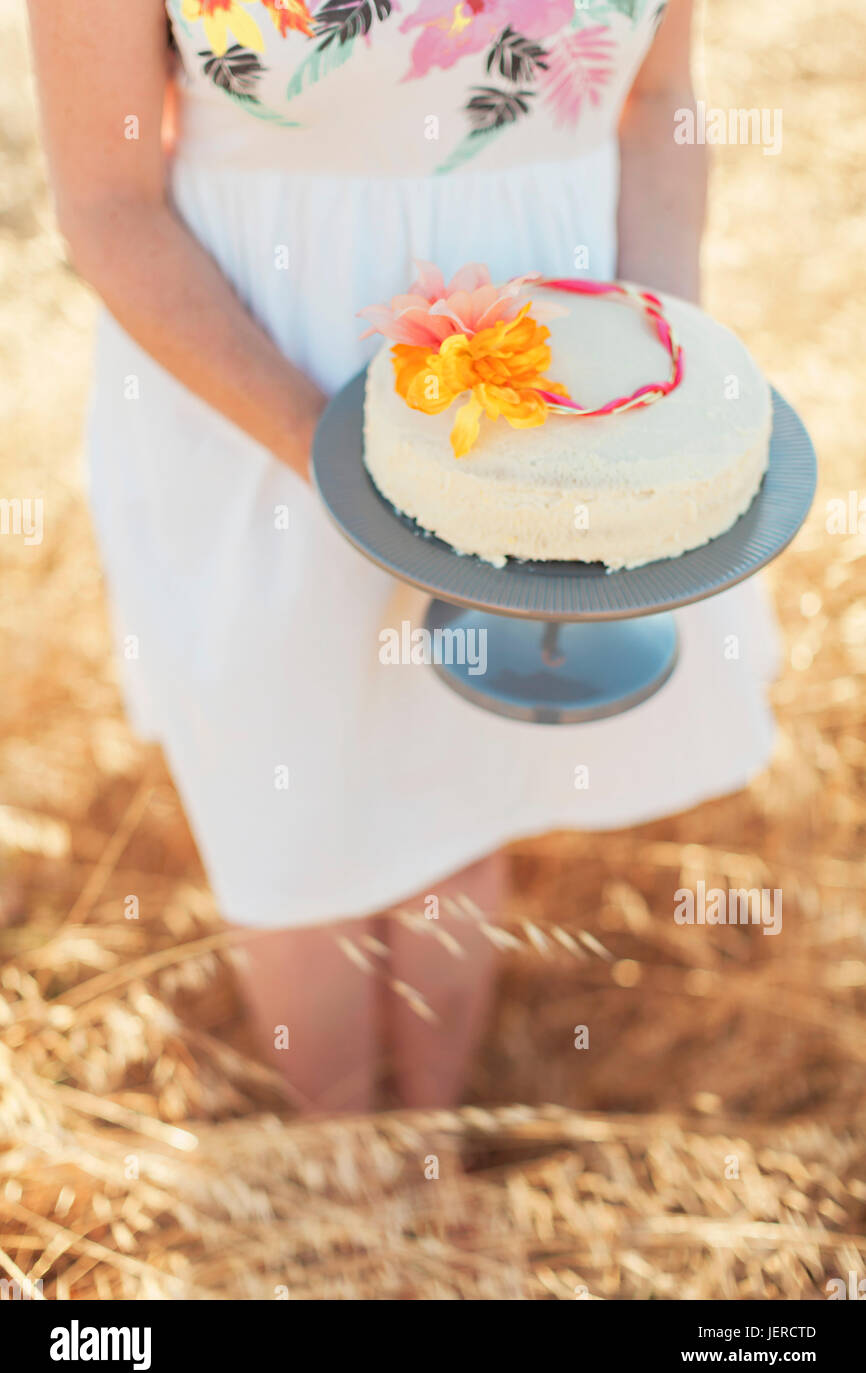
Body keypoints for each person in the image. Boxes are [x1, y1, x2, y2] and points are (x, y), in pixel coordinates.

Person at [26, 0, 777, 1112]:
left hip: (549, 409)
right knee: (297, 811)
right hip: (258, 389)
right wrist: (338, 459)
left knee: (457, 780)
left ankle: (428, 1148)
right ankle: (344, 1167)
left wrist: (646, 387)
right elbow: (106, 203)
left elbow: (656, 100)